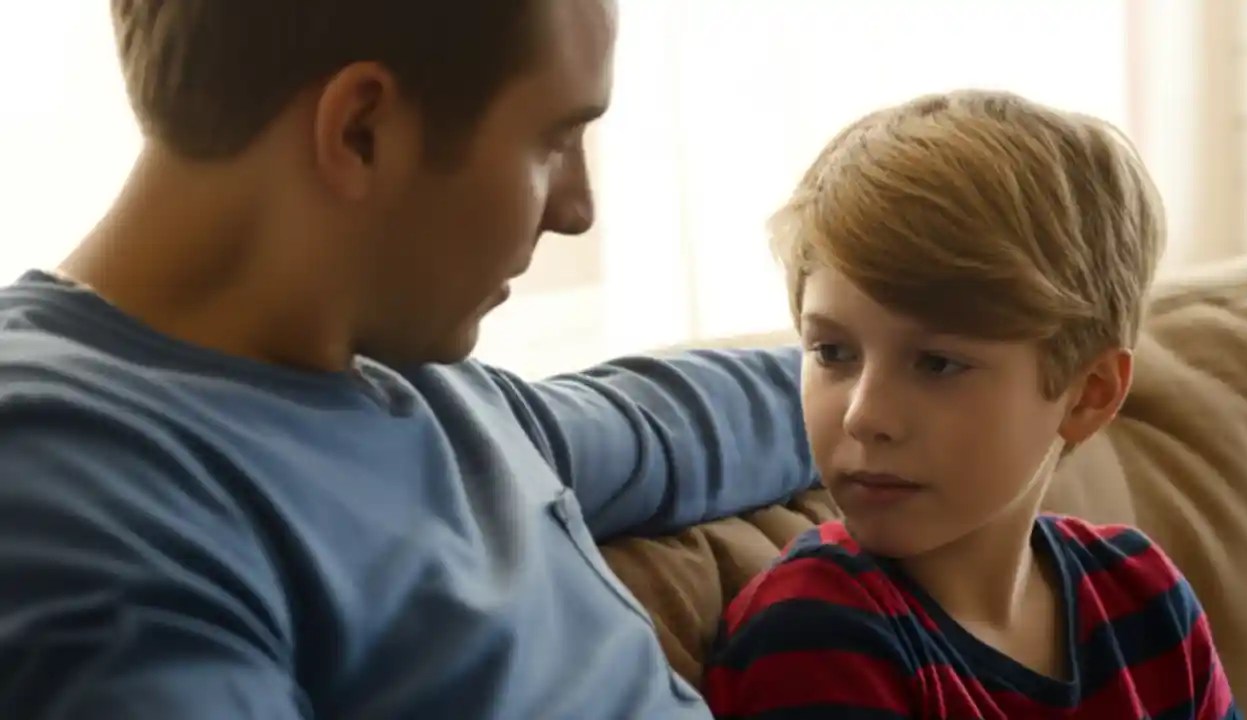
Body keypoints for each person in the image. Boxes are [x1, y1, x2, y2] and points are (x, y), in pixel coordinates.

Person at [0, 1, 818, 718]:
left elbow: (679, 423)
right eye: (554, 139)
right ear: (361, 130)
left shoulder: (421, 385)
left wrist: (910, 372)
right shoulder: (75, 490)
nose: (577, 209)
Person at [703, 90, 1241, 719]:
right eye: (832, 352)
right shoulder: (816, 631)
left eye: (937, 363)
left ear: (1088, 395)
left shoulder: (1144, 598)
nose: (863, 415)